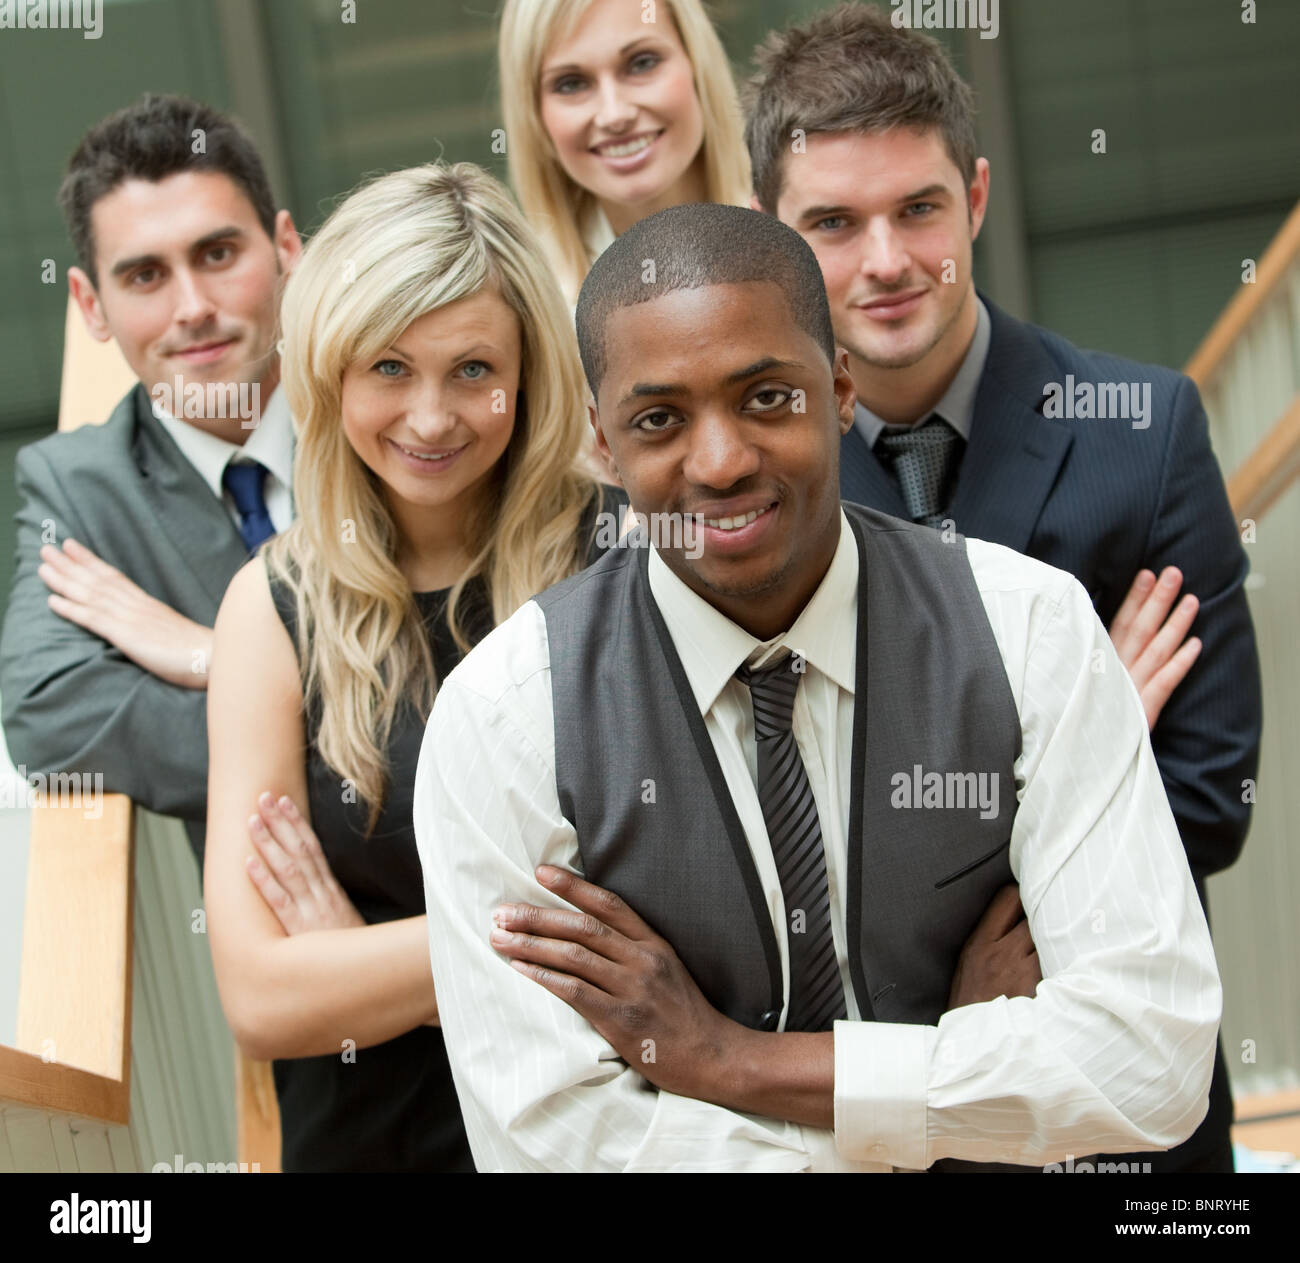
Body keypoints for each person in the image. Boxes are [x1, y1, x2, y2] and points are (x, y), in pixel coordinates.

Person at [413, 202, 1221, 1173]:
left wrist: (736, 1062)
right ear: (600, 442)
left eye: (765, 398)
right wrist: (932, 1093)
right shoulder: (506, 716)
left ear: (838, 386)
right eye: (660, 418)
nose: (721, 461)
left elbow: (1151, 1059)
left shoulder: (1029, 629)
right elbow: (552, 1142)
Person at [743, 1, 1262, 1172]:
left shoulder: (1144, 431)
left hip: (1127, 1120)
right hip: (882, 1125)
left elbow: (1209, 796)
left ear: (973, 198)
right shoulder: (751, 488)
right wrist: (1085, 741)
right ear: (769, 234)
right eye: (831, 221)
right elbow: (774, 839)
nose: (883, 261)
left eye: (916, 208)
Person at [204, 162, 625, 1172]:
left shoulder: (624, 558)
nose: (431, 417)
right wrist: (524, 944)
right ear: (330, 370)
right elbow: (261, 995)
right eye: (389, 367)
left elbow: (693, 925)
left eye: (472, 369)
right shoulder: (271, 607)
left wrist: (366, 952)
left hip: (608, 1137)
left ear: (526, 375)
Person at [0, 94, 299, 866]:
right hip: (284, 959)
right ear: (91, 305)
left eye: (218, 254)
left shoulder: (395, 412)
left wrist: (211, 657)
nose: (193, 308)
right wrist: (313, 724)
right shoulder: (80, 487)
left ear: (287, 248)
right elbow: (48, 712)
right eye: (144, 276)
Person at [499, 0, 751, 309]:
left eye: (641, 63)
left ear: (698, 65)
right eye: (570, 84)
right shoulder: (529, 316)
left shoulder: (811, 233)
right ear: (534, 117)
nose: (614, 114)